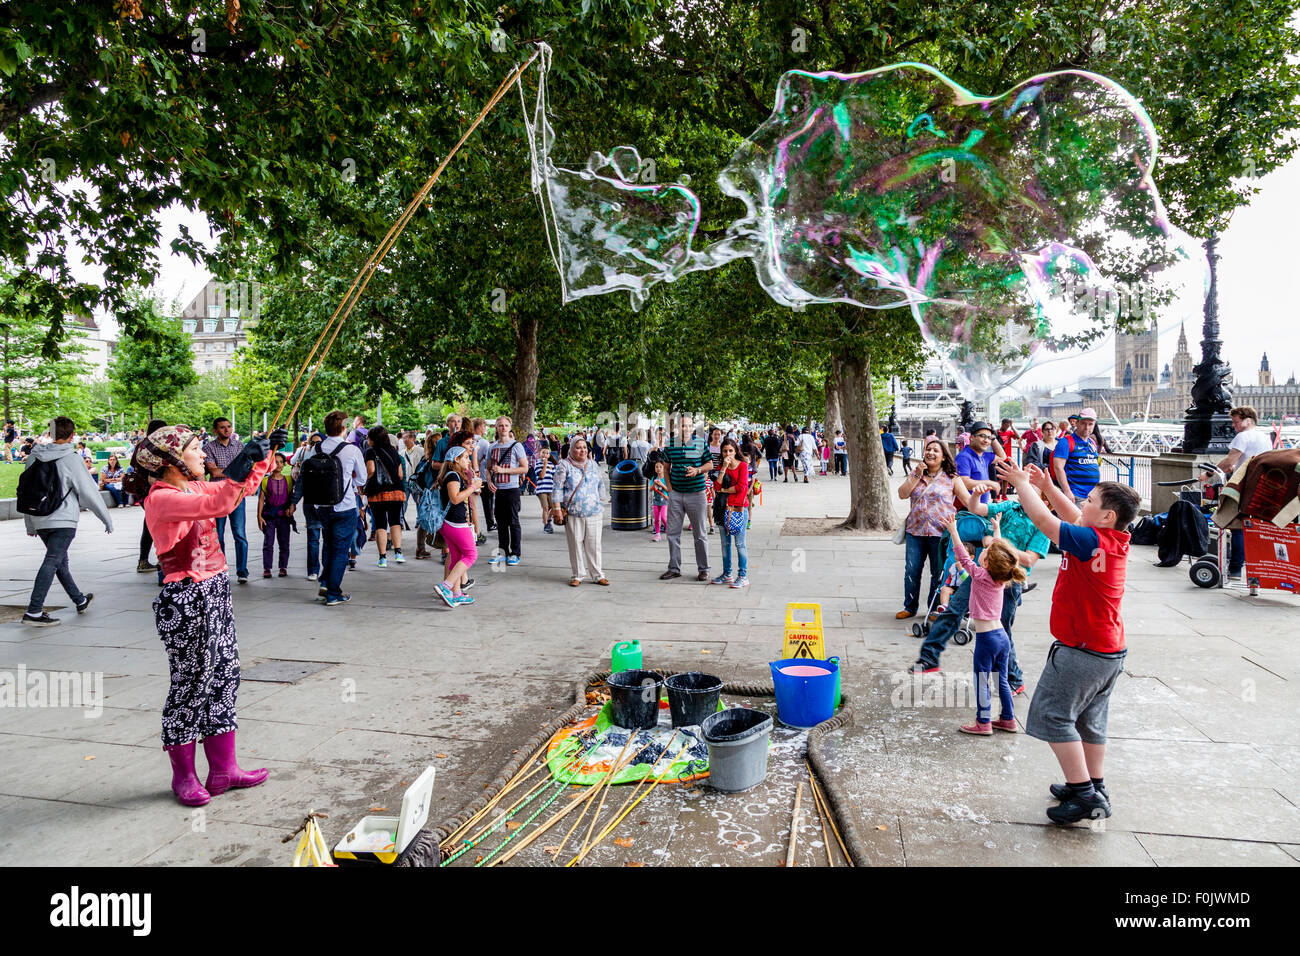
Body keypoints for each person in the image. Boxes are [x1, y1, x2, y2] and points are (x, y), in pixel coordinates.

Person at [138, 422, 285, 806]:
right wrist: (242, 460)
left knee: (223, 677)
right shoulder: (161, 498)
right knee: (191, 685)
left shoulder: (192, 486)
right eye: (194, 449)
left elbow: (237, 492)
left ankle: (224, 770)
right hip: (186, 596)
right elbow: (219, 503)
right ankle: (183, 777)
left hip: (214, 588)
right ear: (172, 461)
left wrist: (262, 456)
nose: (203, 454)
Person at [1000, 457, 1141, 825]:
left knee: (1053, 715)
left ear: (1107, 516)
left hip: (1082, 651)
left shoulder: (1089, 539)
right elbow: (1073, 520)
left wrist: (1022, 486)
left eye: (1090, 500)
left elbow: (1048, 524)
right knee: (1090, 722)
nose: (1082, 503)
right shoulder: (1109, 538)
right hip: (1107, 651)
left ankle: (1084, 797)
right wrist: (1048, 488)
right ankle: (1094, 784)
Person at [20, 417, 113, 627]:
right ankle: (34, 611)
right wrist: (106, 518)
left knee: (59, 561)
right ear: (72, 435)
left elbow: (27, 492)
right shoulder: (72, 458)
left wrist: (30, 523)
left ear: (50, 434)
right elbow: (88, 491)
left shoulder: (33, 457)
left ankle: (79, 600)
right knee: (53, 560)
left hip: (40, 517)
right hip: (63, 519)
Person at [944, 514, 1027, 735]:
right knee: (1001, 681)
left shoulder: (980, 575)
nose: (983, 552)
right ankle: (1008, 719)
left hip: (987, 640)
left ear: (987, 563)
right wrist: (996, 528)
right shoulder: (1002, 577)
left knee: (982, 681)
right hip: (1002, 638)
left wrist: (953, 531)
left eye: (985, 553)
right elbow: (1001, 551)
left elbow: (963, 558)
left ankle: (983, 722)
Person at [895, 438, 960, 620]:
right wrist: (917, 474)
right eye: (928, 449)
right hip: (915, 531)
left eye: (935, 451)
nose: (930, 453)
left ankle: (934, 607)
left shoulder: (952, 478)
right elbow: (902, 494)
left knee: (937, 572)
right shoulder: (917, 474)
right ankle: (910, 606)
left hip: (940, 533)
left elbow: (969, 501)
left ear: (944, 457)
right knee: (911, 570)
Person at [309, 411, 368, 606]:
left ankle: (325, 582)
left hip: (321, 505)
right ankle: (333, 593)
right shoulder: (351, 450)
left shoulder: (315, 448)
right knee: (341, 549)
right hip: (344, 505)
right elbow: (362, 478)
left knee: (328, 543)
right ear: (344, 428)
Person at [1215, 405, 1273, 581]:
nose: (1234, 426)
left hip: (1245, 486)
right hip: (1262, 486)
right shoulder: (1264, 437)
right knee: (1254, 527)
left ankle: (1235, 568)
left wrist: (1209, 473)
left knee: (1239, 527)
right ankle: (1256, 567)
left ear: (1248, 420)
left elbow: (1228, 462)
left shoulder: (1243, 436)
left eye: (1236, 422)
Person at [660, 413, 713, 581]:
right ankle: (674, 568)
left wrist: (697, 470)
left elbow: (710, 464)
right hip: (676, 494)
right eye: (683, 425)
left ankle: (703, 569)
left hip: (696, 494)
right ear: (678, 427)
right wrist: (669, 489)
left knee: (700, 534)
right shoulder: (670, 444)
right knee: (672, 533)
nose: (687, 429)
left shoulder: (701, 442)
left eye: (689, 426)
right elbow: (666, 468)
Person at [551, 435, 608, 586]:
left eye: (584, 447)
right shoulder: (564, 465)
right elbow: (557, 488)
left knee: (594, 545)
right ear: (571, 449)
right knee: (575, 544)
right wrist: (557, 508)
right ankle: (578, 575)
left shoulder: (593, 464)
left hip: (594, 511)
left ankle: (597, 574)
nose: (582, 450)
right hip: (573, 512)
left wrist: (601, 498)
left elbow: (600, 483)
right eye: (578, 447)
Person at [433, 437, 481, 607]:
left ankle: (457, 593)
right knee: (470, 555)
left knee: (456, 556)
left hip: (451, 523)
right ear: (456, 460)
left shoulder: (453, 474)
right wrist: (473, 487)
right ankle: (446, 586)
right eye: (466, 458)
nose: (468, 461)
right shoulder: (453, 475)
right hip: (455, 523)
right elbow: (455, 499)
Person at [202, 418, 251, 584]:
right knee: (218, 534)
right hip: (217, 496)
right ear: (215, 430)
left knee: (240, 534)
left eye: (229, 427)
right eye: (222, 428)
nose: (226, 430)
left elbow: (246, 469)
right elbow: (214, 472)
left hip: (237, 495)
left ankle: (242, 571)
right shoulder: (208, 447)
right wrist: (234, 471)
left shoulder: (239, 446)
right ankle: (220, 568)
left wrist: (231, 471)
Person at [486, 415, 529, 566]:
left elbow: (525, 467)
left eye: (506, 425)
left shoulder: (516, 446)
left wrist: (504, 471)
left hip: (512, 489)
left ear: (510, 427)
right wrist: (490, 481)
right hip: (498, 490)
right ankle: (503, 551)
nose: (503, 428)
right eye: (500, 425)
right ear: (496, 428)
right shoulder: (492, 447)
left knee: (513, 521)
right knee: (501, 522)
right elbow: (488, 468)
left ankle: (515, 553)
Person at [364, 425, 407, 567]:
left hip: (378, 494)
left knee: (380, 524)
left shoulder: (370, 452)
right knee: (395, 522)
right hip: (396, 492)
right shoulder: (394, 452)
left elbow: (370, 470)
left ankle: (382, 557)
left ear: (373, 439)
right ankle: (398, 553)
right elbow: (400, 474)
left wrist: (364, 483)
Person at [712, 438, 751, 588]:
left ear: (736, 451)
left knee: (740, 544)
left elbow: (741, 488)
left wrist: (724, 490)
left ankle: (743, 575)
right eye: (725, 451)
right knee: (725, 544)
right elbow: (716, 485)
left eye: (730, 451)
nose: (728, 453)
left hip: (738, 509)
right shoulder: (723, 465)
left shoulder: (743, 466)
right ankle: (727, 574)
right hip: (723, 509)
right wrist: (723, 468)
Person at [290, 432, 324, 578]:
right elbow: (300, 485)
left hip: (328, 505)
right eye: (313, 443)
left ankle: (326, 570)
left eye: (319, 442)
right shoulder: (307, 463)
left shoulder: (332, 461)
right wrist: (294, 502)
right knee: (313, 539)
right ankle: (313, 570)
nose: (316, 446)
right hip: (311, 504)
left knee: (327, 540)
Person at [1051, 408, 1101, 505]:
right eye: (1083, 423)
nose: (1087, 427)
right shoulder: (1066, 442)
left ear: (1094, 425)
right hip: (1075, 495)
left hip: (1091, 496)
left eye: (1090, 424)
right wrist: (1067, 491)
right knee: (1076, 520)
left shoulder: (1092, 443)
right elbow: (1058, 468)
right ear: (1077, 423)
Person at [257, 452, 294, 578]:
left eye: (280, 462)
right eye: (275, 462)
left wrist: (291, 508)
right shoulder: (265, 481)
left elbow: (291, 498)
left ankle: (283, 567)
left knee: (284, 542)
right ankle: (267, 568)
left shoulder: (289, 480)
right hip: (269, 516)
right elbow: (261, 499)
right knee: (268, 542)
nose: (278, 464)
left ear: (284, 465)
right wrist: (259, 516)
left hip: (284, 516)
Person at [955, 421, 998, 505]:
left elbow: (1002, 457)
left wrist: (994, 439)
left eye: (989, 438)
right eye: (982, 436)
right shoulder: (964, 457)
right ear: (972, 437)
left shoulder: (984, 456)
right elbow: (964, 482)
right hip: (967, 509)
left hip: (979, 508)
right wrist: (989, 483)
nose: (986, 440)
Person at [532, 444, 556, 534]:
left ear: (549, 455)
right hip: (541, 489)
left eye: (547, 453)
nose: (545, 454)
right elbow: (541, 476)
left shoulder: (551, 465)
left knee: (553, 508)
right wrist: (545, 464)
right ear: (539, 454)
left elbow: (554, 477)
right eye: (543, 453)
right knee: (545, 508)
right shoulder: (537, 464)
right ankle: (546, 525)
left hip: (551, 489)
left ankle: (548, 520)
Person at [650, 459, 670, 542]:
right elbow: (651, 489)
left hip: (664, 501)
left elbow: (669, 490)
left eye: (660, 467)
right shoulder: (654, 478)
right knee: (657, 519)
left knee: (663, 517)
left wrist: (661, 484)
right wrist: (654, 484)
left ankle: (669, 531)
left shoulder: (666, 478)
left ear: (663, 468)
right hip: (656, 501)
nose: (658, 469)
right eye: (656, 467)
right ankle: (657, 534)